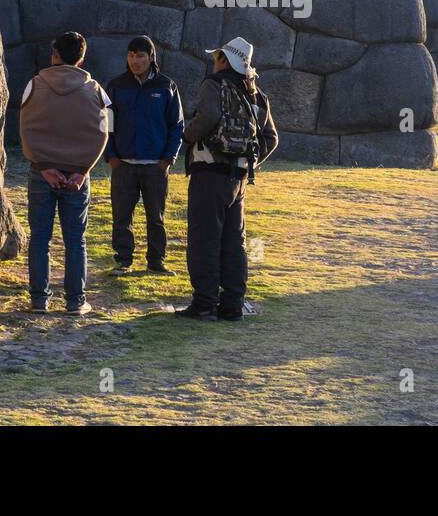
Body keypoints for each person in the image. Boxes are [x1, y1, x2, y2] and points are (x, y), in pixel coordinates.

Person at [177, 36, 278, 322]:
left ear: (223, 59)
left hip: (209, 173)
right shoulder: (256, 94)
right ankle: (233, 303)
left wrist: (188, 135)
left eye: (217, 56)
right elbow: (271, 138)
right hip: (239, 177)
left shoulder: (213, 84)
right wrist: (250, 161)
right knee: (234, 241)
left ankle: (205, 303)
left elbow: (208, 115)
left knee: (204, 238)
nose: (213, 60)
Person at [19, 31, 111, 316]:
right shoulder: (95, 89)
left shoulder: (34, 84)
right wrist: (84, 170)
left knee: (40, 238)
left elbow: (24, 129)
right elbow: (103, 133)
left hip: (41, 172)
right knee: (75, 240)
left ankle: (39, 300)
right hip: (76, 175)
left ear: (54, 54)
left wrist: (44, 166)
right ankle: (75, 301)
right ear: (81, 58)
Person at [104, 36, 185, 276]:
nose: (134, 61)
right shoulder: (116, 85)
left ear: (151, 57)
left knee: (156, 217)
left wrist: (168, 159)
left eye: (140, 56)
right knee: (121, 217)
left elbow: (177, 125)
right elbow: (105, 123)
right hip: (123, 164)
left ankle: (156, 262)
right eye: (130, 55)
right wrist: (111, 156)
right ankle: (123, 260)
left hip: (155, 166)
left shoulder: (166, 86)